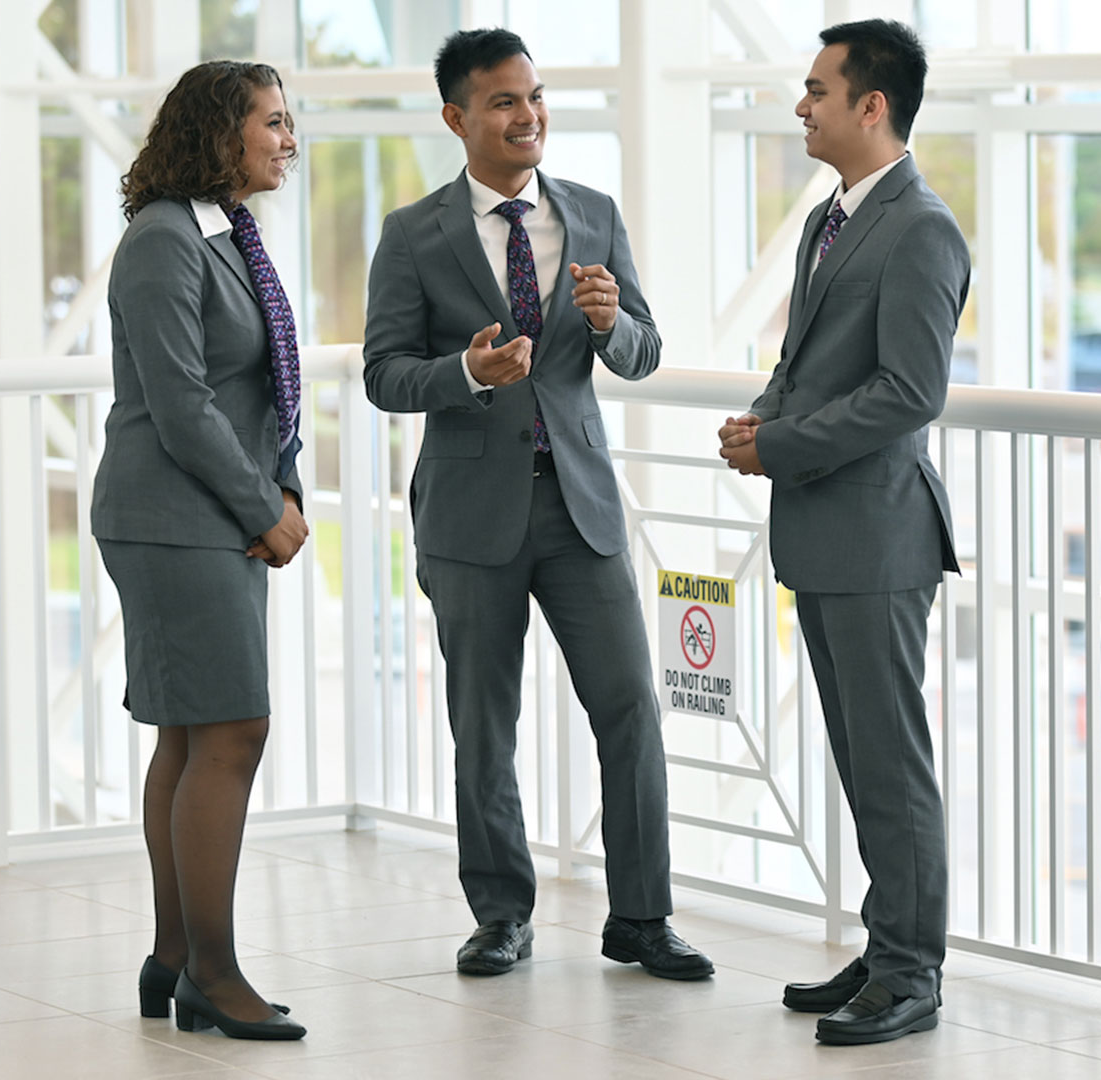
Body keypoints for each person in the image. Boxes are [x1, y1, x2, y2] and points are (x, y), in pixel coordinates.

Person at [362, 28, 711, 981]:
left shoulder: (591, 213)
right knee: (485, 720)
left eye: (537, 96)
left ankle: (641, 919)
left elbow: (642, 352)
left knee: (631, 707)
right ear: (458, 118)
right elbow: (384, 377)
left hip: (581, 507)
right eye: (505, 102)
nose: (529, 116)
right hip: (472, 513)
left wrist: (611, 324)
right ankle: (500, 916)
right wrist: (466, 372)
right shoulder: (412, 233)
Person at [716, 19, 969, 1046]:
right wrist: (763, 417)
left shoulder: (922, 228)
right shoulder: (835, 218)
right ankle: (888, 939)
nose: (802, 104)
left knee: (890, 759)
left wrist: (784, 447)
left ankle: (913, 971)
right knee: (861, 758)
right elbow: (810, 357)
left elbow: (910, 393)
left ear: (874, 105)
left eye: (818, 89)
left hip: (877, 537)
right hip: (824, 532)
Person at [91, 59, 309, 1041]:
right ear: (221, 132)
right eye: (271, 121)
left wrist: (285, 481)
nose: (287, 139)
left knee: (191, 734)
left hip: (209, 515)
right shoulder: (162, 242)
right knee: (232, 730)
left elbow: (256, 383)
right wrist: (265, 507)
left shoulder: (225, 232)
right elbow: (180, 407)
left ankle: (174, 958)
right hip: (172, 517)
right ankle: (215, 977)